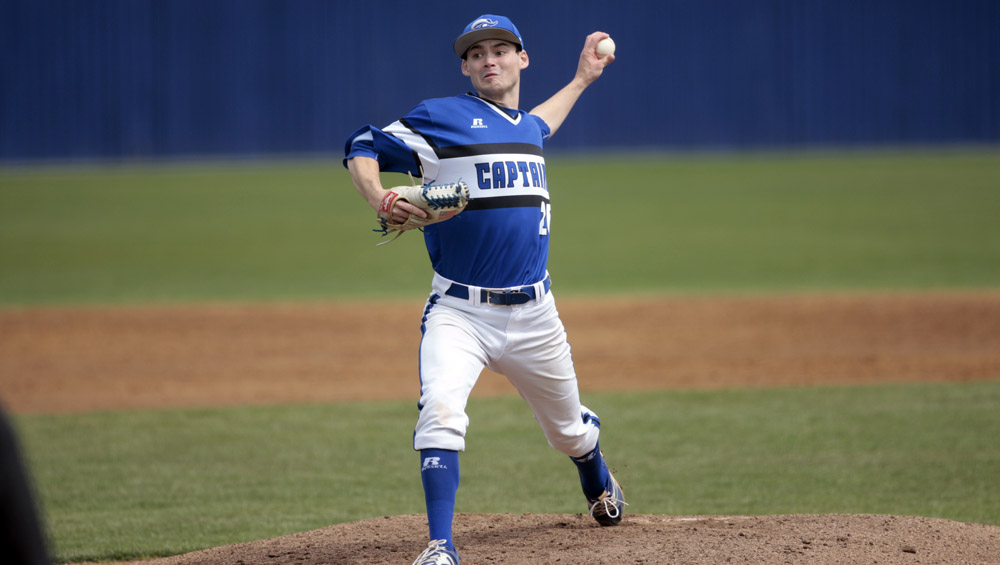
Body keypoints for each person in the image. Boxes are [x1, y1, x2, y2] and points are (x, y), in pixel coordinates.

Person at [344, 14, 622, 565]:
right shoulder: (441, 118)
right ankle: (440, 547)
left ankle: (596, 475)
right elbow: (361, 142)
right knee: (441, 412)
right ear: (466, 68)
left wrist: (584, 79)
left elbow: (538, 124)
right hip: (459, 312)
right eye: (475, 54)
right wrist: (379, 195)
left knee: (568, 432)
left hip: (536, 315)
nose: (487, 59)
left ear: (522, 59)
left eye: (500, 49)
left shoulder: (525, 127)